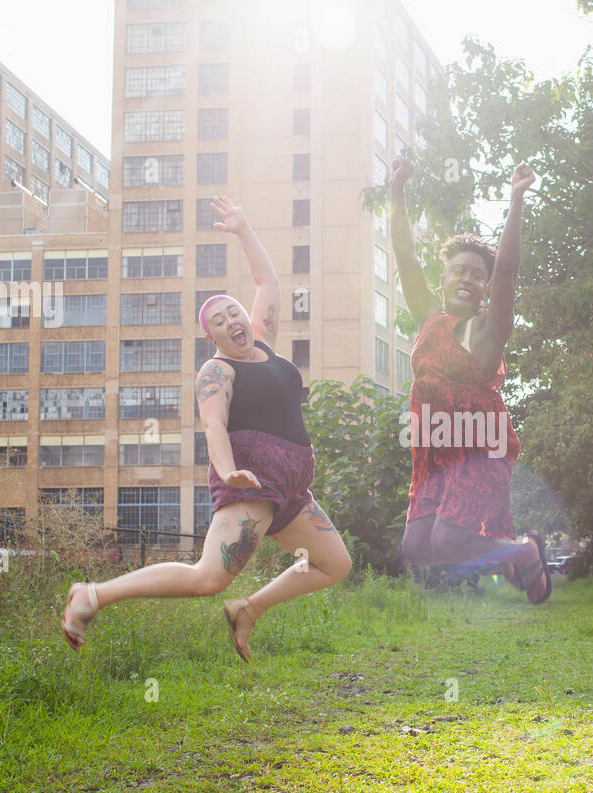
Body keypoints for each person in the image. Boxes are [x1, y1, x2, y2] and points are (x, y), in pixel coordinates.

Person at [60, 196, 351, 660]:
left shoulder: (266, 346)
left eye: (234, 312)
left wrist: (243, 230)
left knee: (334, 563)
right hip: (251, 481)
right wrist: (229, 471)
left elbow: (268, 280)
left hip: (291, 487)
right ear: (211, 336)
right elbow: (213, 426)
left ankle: (249, 610)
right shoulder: (216, 372)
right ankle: (91, 595)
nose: (232, 320)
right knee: (207, 578)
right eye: (220, 320)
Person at [389, 156, 550, 603]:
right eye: (459, 271)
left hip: (479, 446)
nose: (468, 279)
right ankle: (513, 560)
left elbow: (508, 270)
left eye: (477, 275)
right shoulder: (427, 317)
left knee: (445, 541)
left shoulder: (487, 330)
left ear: (483, 288)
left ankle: (521, 550)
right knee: (417, 548)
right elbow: (404, 255)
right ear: (442, 281)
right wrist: (396, 191)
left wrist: (516, 198)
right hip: (434, 451)